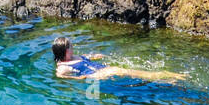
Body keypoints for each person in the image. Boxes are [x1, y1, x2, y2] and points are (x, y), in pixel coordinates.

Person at [52, 37, 187, 83]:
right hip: (96, 74)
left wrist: (94, 56)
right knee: (124, 70)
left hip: (100, 68)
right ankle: (161, 75)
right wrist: (80, 79)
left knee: (129, 72)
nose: (73, 46)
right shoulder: (62, 67)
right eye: (71, 46)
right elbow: (62, 77)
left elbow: (85, 58)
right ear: (66, 51)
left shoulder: (72, 57)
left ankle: (165, 79)